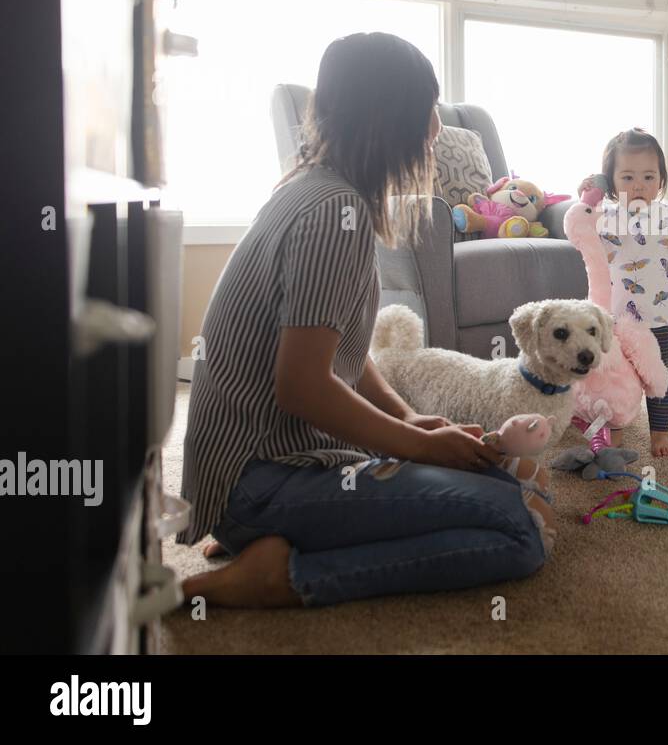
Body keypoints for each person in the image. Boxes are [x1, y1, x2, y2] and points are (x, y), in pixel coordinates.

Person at [178, 32, 554, 609]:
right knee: (516, 527)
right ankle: (278, 573)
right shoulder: (337, 211)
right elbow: (302, 386)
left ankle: (276, 533)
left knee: (491, 477)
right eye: (427, 109)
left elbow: (345, 356)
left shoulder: (314, 189)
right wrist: (418, 449)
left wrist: (411, 420)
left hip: (247, 475)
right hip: (259, 481)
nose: (435, 129)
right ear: (390, 117)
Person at [578, 128, 668, 458]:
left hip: (658, 316)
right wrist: (589, 199)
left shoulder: (665, 214)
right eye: (627, 177)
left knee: (659, 378)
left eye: (648, 176)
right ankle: (612, 426)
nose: (639, 185)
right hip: (617, 318)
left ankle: (660, 433)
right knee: (614, 376)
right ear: (611, 182)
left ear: (661, 180)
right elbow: (589, 242)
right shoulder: (608, 216)